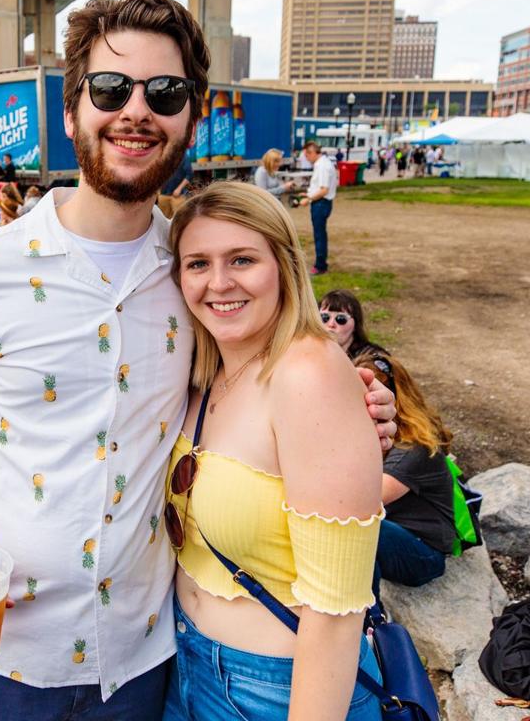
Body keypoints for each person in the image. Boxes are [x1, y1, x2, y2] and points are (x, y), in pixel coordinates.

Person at [0, 0, 396, 721]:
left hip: (143, 654)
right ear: (73, 110)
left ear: (189, 121)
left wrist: (360, 408)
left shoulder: (196, 271)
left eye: (164, 93)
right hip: (1, 651)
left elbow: (268, 383)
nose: (136, 110)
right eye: (110, 88)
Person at [164, 182, 385, 720]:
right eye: (197, 264)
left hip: (274, 689)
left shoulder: (307, 373)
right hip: (183, 663)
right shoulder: (207, 367)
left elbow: (335, 610)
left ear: (285, 266)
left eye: (242, 259)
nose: (219, 283)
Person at [351, 349, 454, 597]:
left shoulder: (414, 448)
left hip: (424, 551)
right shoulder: (377, 435)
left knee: (360, 529)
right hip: (394, 531)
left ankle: (369, 621)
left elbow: (363, 502)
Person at [318, 289, 394, 388]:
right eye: (324, 317)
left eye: (341, 319)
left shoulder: (372, 360)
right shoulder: (310, 352)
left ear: (355, 324)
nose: (331, 324)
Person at [301, 140, 339, 275]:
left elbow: (324, 190)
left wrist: (309, 198)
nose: (306, 158)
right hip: (322, 202)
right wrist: (309, 193)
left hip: (321, 203)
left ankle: (320, 265)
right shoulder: (324, 163)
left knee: (319, 235)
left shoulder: (322, 166)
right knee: (320, 234)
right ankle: (321, 263)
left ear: (312, 152)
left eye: (306, 155)